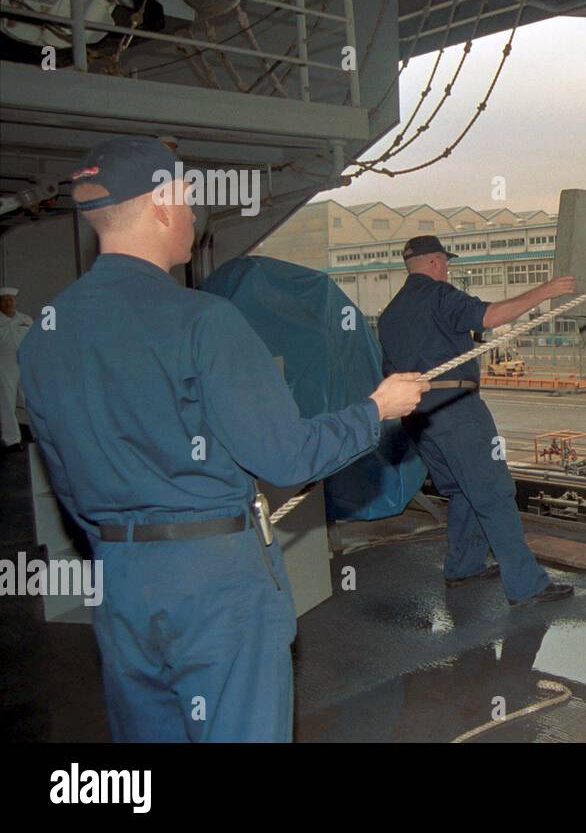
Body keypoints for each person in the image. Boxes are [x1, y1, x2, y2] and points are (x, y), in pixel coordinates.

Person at [18, 136, 431, 742]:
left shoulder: (44, 337)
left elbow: (68, 484)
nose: (192, 216)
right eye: (186, 200)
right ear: (160, 204)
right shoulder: (203, 320)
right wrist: (375, 409)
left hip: (119, 577)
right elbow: (284, 453)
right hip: (214, 581)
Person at [378, 235, 576, 606]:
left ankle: (463, 567)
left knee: (461, 490)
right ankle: (526, 585)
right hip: (457, 408)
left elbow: (388, 373)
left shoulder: (390, 314)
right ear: (436, 262)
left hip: (418, 417)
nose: (447, 269)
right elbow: (488, 316)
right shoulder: (439, 295)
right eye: (445, 262)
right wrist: (546, 290)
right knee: (494, 492)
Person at [0, 286, 33, 452]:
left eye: (10, 299)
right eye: (4, 299)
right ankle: (12, 439)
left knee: (32, 400)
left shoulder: (25, 319)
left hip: (25, 364)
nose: (8, 303)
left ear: (15, 301)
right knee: (7, 402)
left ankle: (38, 434)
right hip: (4, 366)